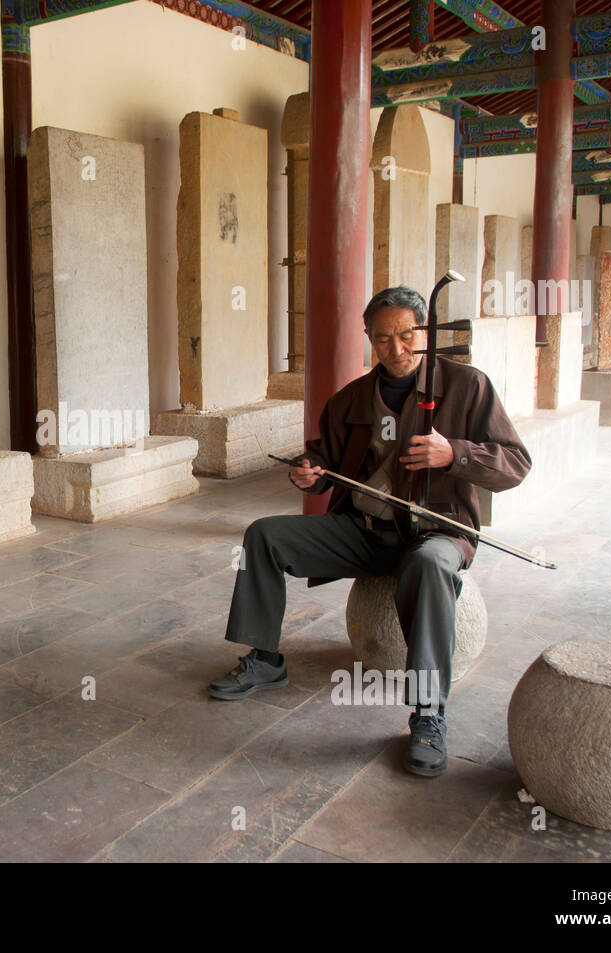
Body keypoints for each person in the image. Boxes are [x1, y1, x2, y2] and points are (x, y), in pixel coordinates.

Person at [208, 285, 532, 777]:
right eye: (383, 339)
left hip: (435, 534)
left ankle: (428, 716)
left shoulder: (468, 386)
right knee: (263, 536)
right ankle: (265, 657)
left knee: (427, 563)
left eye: (407, 335)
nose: (396, 350)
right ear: (368, 338)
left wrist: (455, 454)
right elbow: (322, 455)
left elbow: (516, 464)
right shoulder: (352, 399)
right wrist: (307, 470)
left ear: (425, 331)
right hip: (362, 530)